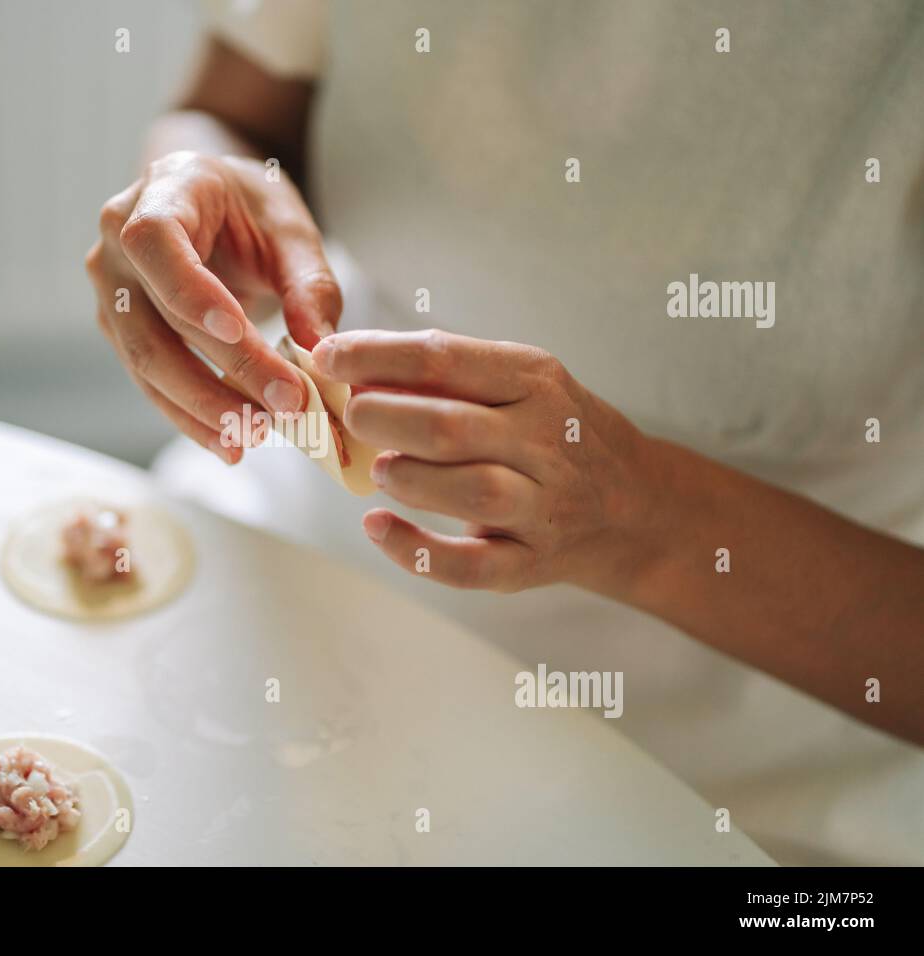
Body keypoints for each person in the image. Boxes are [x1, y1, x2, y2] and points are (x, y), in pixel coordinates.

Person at [83, 0, 924, 864]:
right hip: (307, 558)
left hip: (770, 737)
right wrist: (194, 183)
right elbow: (237, 111)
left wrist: (641, 519)